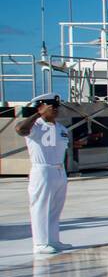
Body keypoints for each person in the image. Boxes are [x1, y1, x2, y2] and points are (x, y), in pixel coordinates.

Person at [17, 92, 70, 254]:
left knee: (55, 207)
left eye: (56, 107)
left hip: (59, 170)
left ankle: (53, 239)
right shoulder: (35, 126)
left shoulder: (61, 128)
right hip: (42, 170)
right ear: (40, 108)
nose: (55, 110)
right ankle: (40, 243)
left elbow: (62, 149)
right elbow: (20, 129)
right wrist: (37, 114)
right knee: (40, 206)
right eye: (51, 107)